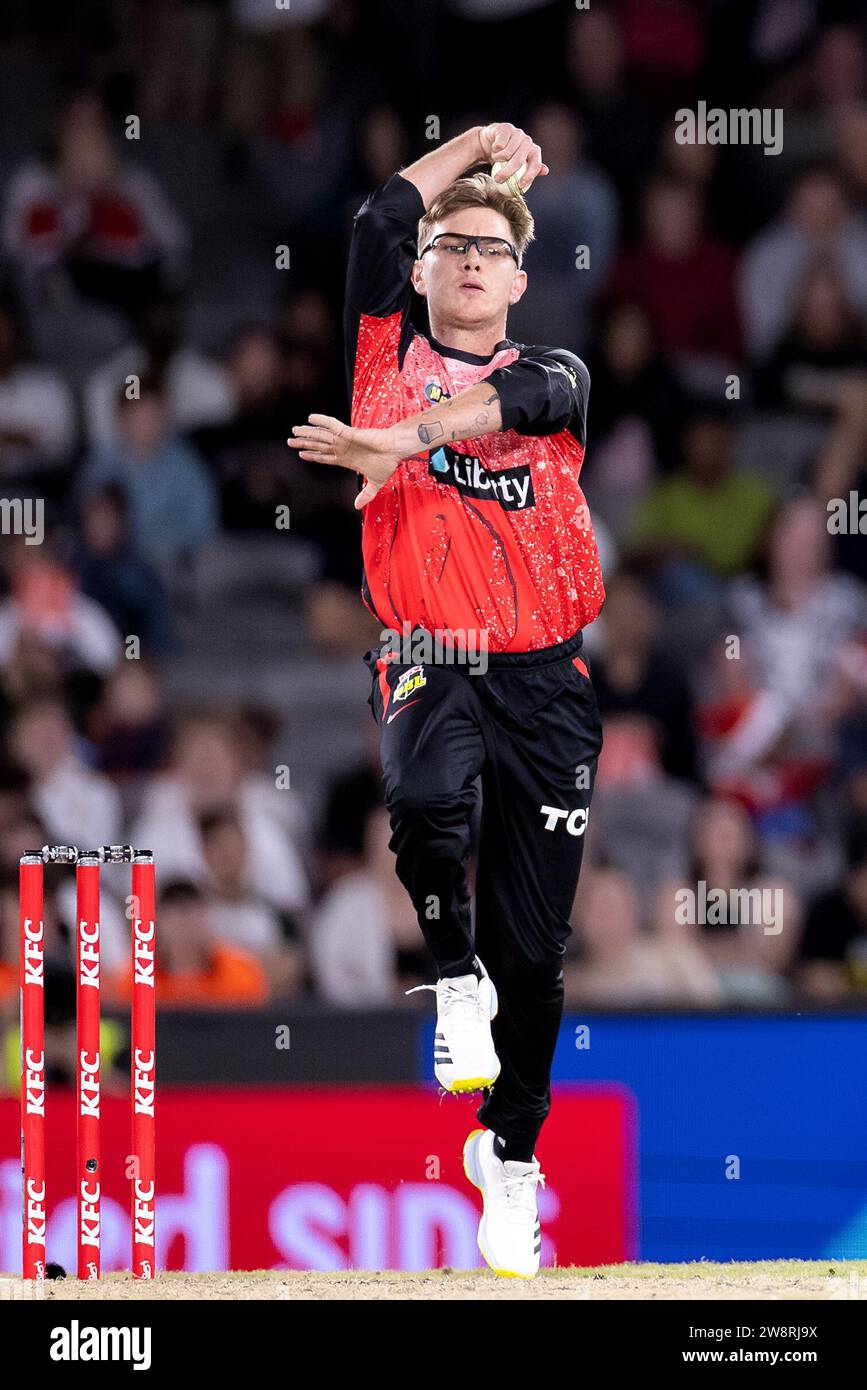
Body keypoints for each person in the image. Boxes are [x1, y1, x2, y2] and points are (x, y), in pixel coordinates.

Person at [287, 121, 604, 1279]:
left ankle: (509, 1160)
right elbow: (373, 216)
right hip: (430, 645)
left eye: (490, 249)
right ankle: (450, 973)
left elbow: (513, 403)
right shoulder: (383, 354)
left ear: (519, 277)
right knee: (423, 802)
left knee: (543, 950)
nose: (469, 260)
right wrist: (473, 141)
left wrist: (401, 441)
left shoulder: (558, 377)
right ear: (423, 269)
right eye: (450, 245)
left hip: (547, 677)